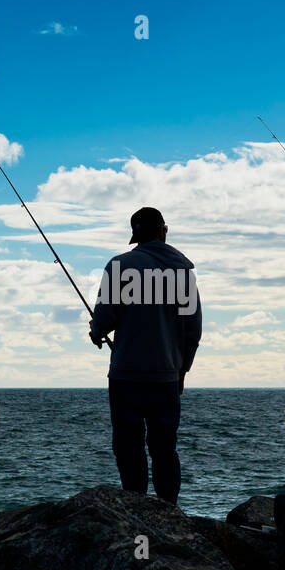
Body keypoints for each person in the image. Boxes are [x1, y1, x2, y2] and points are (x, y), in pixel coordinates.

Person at [89, 207, 202, 505]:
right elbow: (193, 332)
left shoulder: (118, 266)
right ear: (163, 230)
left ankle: (135, 505)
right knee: (165, 448)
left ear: (136, 236)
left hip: (126, 375)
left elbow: (103, 319)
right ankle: (168, 510)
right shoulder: (183, 274)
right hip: (166, 377)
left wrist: (96, 332)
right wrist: (182, 373)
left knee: (129, 447)